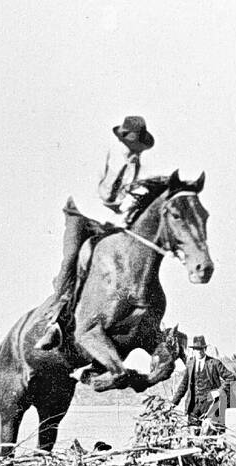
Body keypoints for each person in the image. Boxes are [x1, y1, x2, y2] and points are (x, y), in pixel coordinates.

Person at [36, 116, 156, 352]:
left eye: (139, 149)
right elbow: (89, 197)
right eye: (133, 148)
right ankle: (54, 323)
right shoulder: (103, 156)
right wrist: (117, 219)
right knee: (71, 260)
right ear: (123, 142)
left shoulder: (136, 166)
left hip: (109, 219)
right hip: (81, 213)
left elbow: (127, 201)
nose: (136, 153)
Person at [171, 335, 236, 434]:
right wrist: (173, 403)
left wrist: (219, 391)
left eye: (201, 349)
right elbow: (183, 385)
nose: (199, 351)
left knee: (211, 437)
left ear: (205, 349)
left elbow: (231, 378)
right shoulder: (190, 364)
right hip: (193, 406)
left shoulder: (214, 363)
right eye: (197, 349)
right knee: (193, 436)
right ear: (193, 350)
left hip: (211, 406)